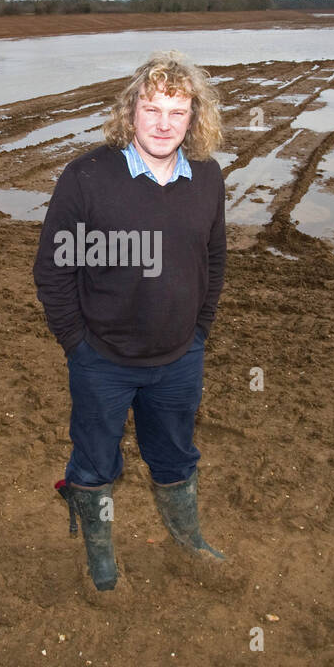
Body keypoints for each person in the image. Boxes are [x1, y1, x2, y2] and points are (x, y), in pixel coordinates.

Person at [33, 50, 226, 591]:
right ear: (131, 112)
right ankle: (101, 561)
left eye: (177, 111)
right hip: (103, 360)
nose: (163, 123)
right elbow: (53, 270)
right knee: (94, 462)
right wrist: (77, 344)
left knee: (177, 457)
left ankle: (188, 541)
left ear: (193, 119)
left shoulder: (208, 178)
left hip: (179, 359)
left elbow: (214, 260)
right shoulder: (87, 177)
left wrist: (198, 333)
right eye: (151, 108)